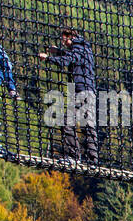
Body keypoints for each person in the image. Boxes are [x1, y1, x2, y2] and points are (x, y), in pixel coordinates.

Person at [39, 27, 99, 165]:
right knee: (88, 126)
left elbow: (67, 60)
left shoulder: (78, 47)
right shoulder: (84, 47)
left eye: (64, 39)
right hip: (88, 91)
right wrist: (59, 51)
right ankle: (92, 160)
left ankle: (74, 156)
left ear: (70, 37)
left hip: (82, 92)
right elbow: (73, 58)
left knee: (67, 122)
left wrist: (49, 58)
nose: (63, 42)